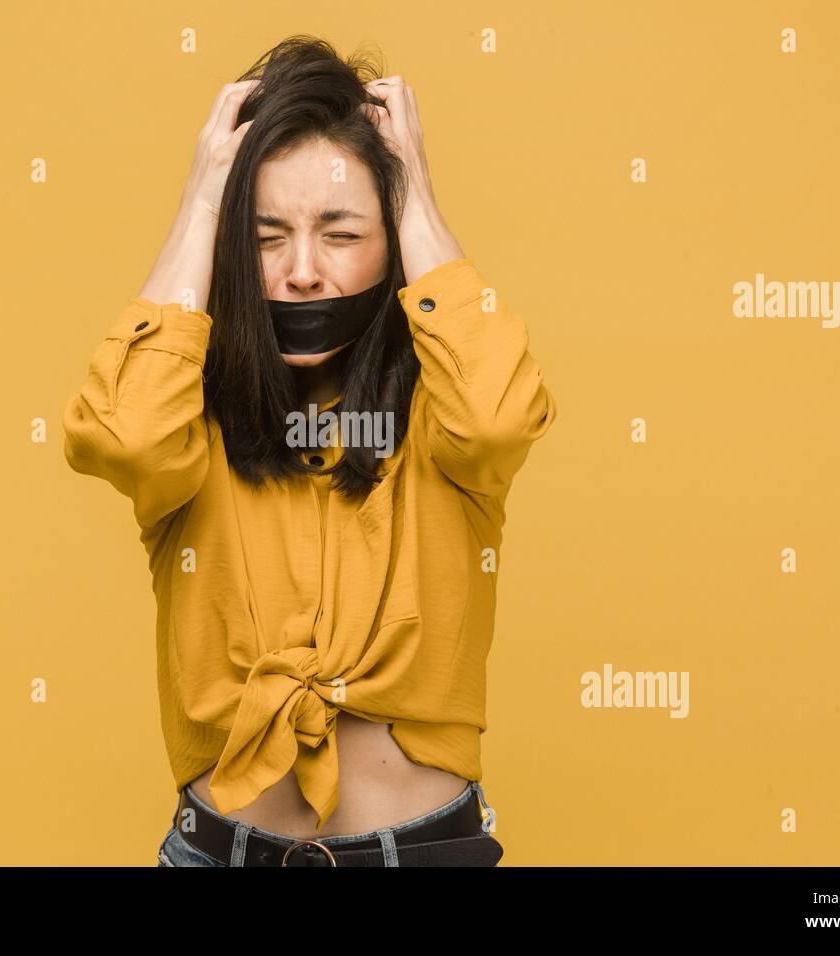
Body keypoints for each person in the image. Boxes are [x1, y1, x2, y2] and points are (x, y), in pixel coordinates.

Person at [63, 36, 556, 866]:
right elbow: (125, 432)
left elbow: (501, 418)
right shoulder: (191, 426)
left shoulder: (446, 415)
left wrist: (415, 199)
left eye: (339, 232)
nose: (300, 272)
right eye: (265, 237)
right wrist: (201, 203)